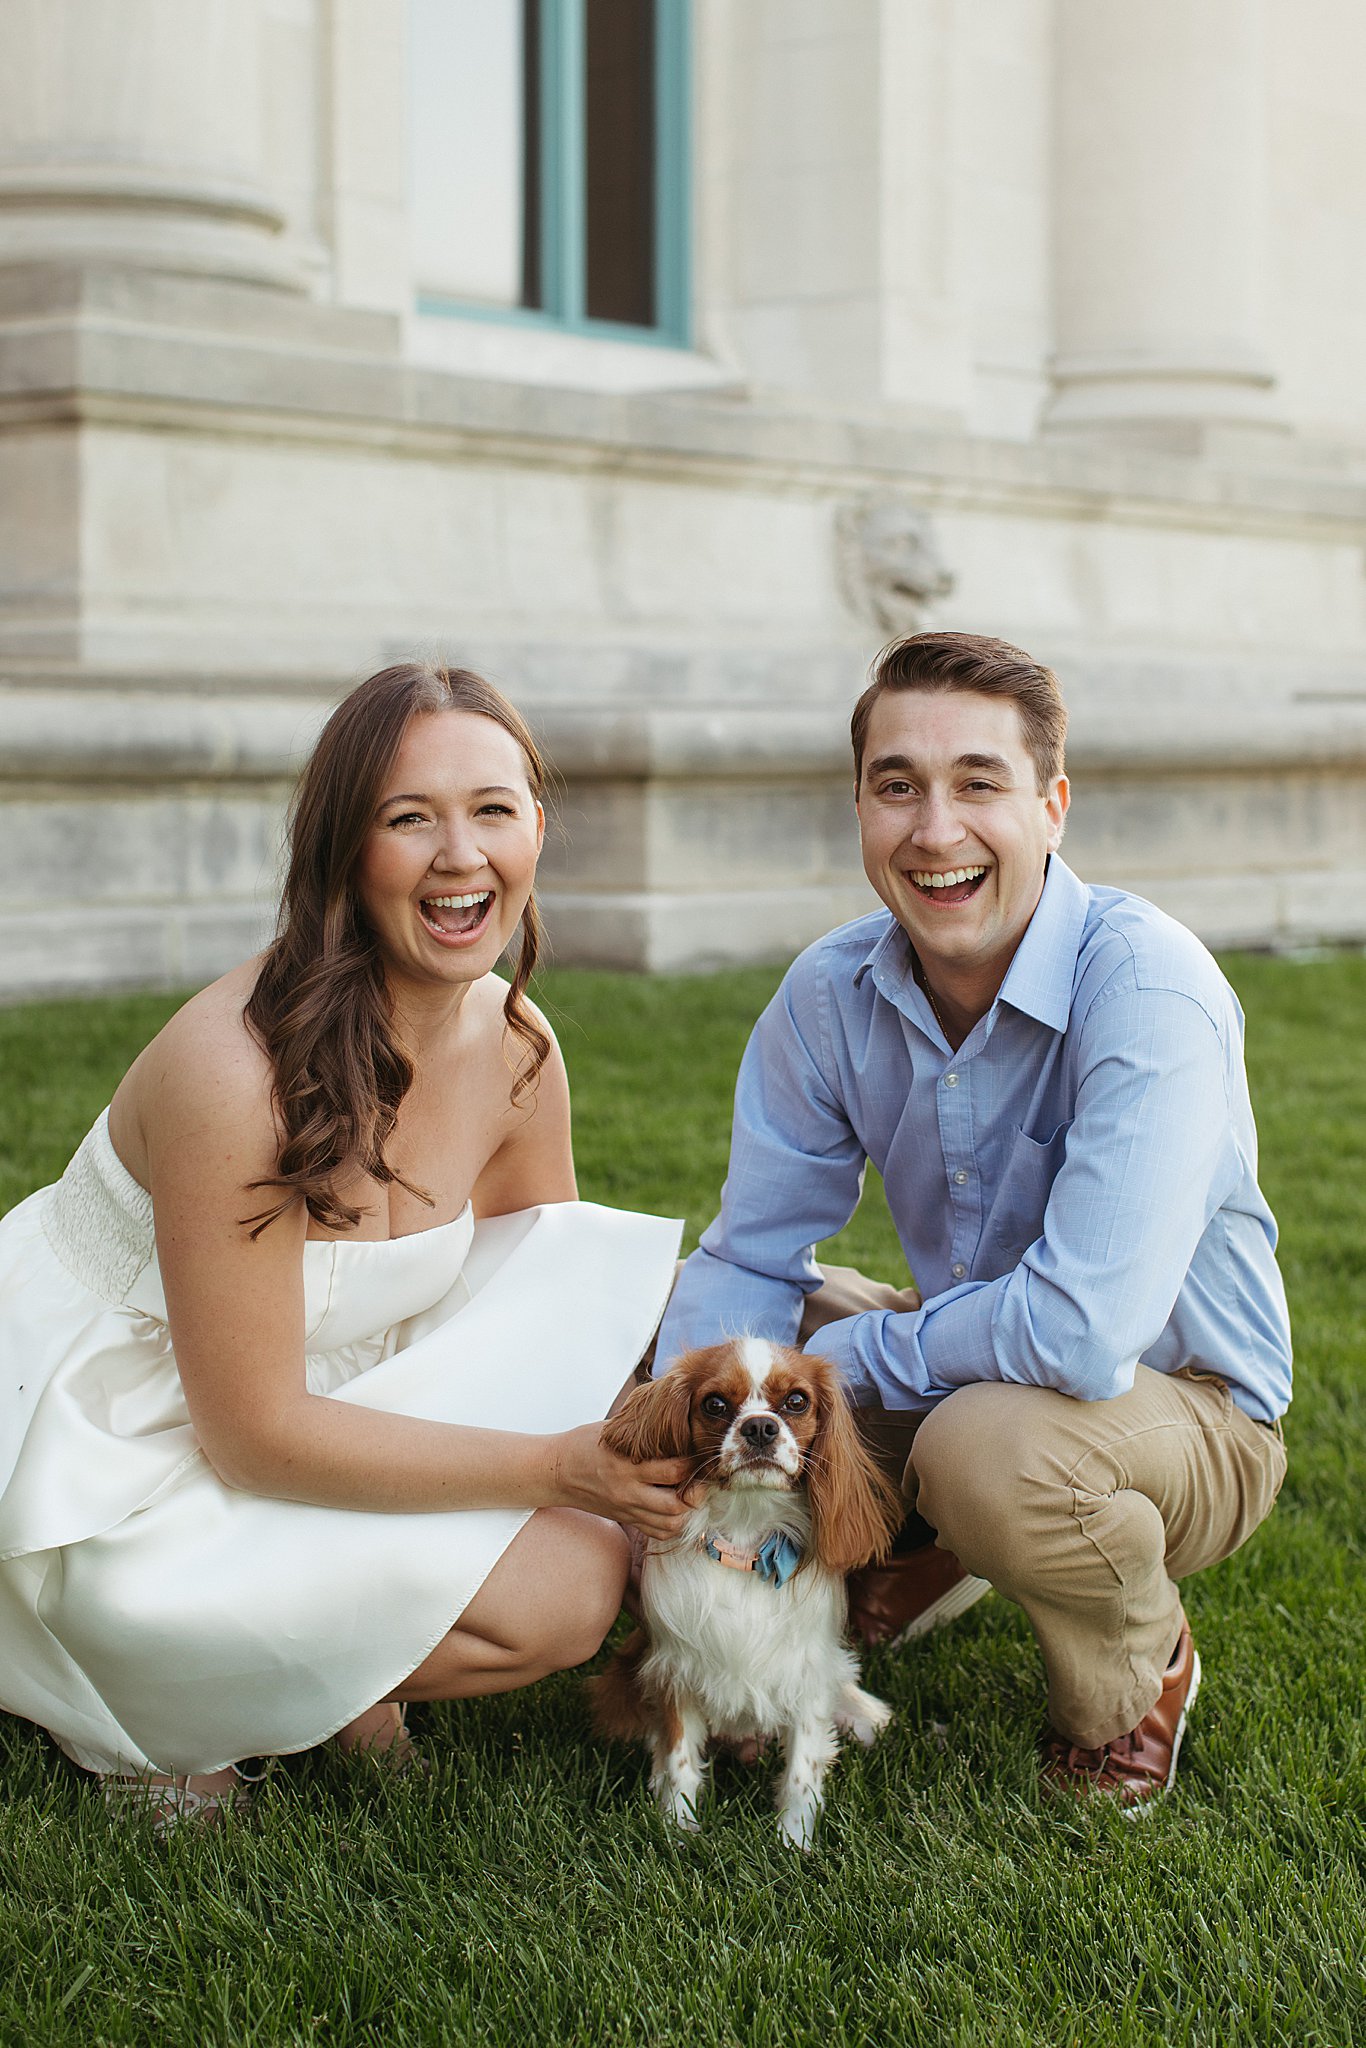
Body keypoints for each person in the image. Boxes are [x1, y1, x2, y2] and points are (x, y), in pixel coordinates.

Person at [0, 663, 690, 1827]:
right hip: (116, 1441)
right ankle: (121, 1676)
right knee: (549, 1526)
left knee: (573, 1585)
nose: (460, 853)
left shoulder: (519, 1044)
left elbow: (548, 1306)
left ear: (536, 829)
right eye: (409, 817)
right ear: (341, 848)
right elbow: (253, 1434)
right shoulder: (237, 1073)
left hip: (337, 1411)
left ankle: (294, 1668)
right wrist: (552, 1469)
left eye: (493, 809)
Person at [654, 631, 1291, 1810]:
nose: (933, 830)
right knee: (694, 1337)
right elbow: (748, 1249)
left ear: (1052, 806)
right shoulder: (830, 992)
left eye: (978, 784)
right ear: (858, 805)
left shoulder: (1149, 988)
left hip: (1185, 1410)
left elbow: (1085, 1333)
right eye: (897, 785)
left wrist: (849, 1357)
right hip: (969, 1348)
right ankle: (891, 1556)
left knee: (979, 1446)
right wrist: (669, 1464)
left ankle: (1133, 1677)